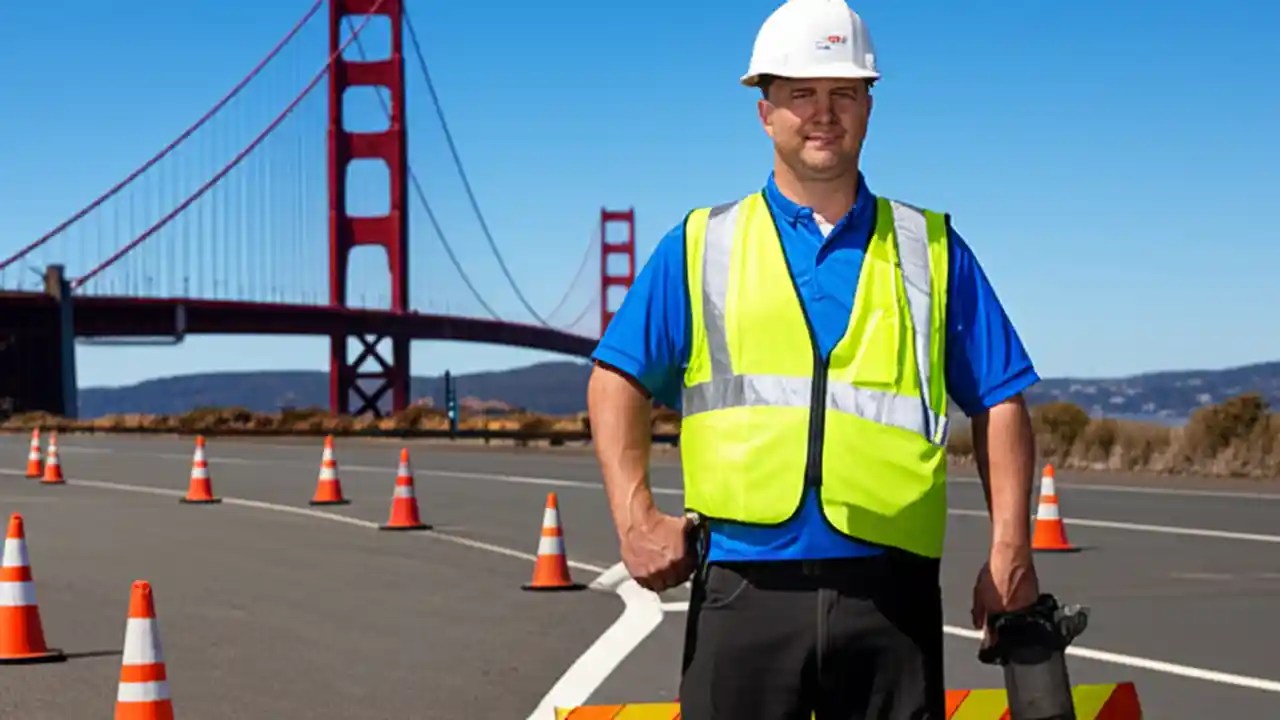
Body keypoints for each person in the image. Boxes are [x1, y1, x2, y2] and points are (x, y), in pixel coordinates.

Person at [586, 0, 1042, 717]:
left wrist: (1011, 545)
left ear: (868, 106)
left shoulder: (933, 249)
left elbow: (1002, 400)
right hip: (743, 586)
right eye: (801, 94)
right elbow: (616, 377)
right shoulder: (702, 245)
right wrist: (634, 516)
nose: (823, 113)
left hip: (891, 594)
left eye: (843, 94)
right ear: (765, 111)